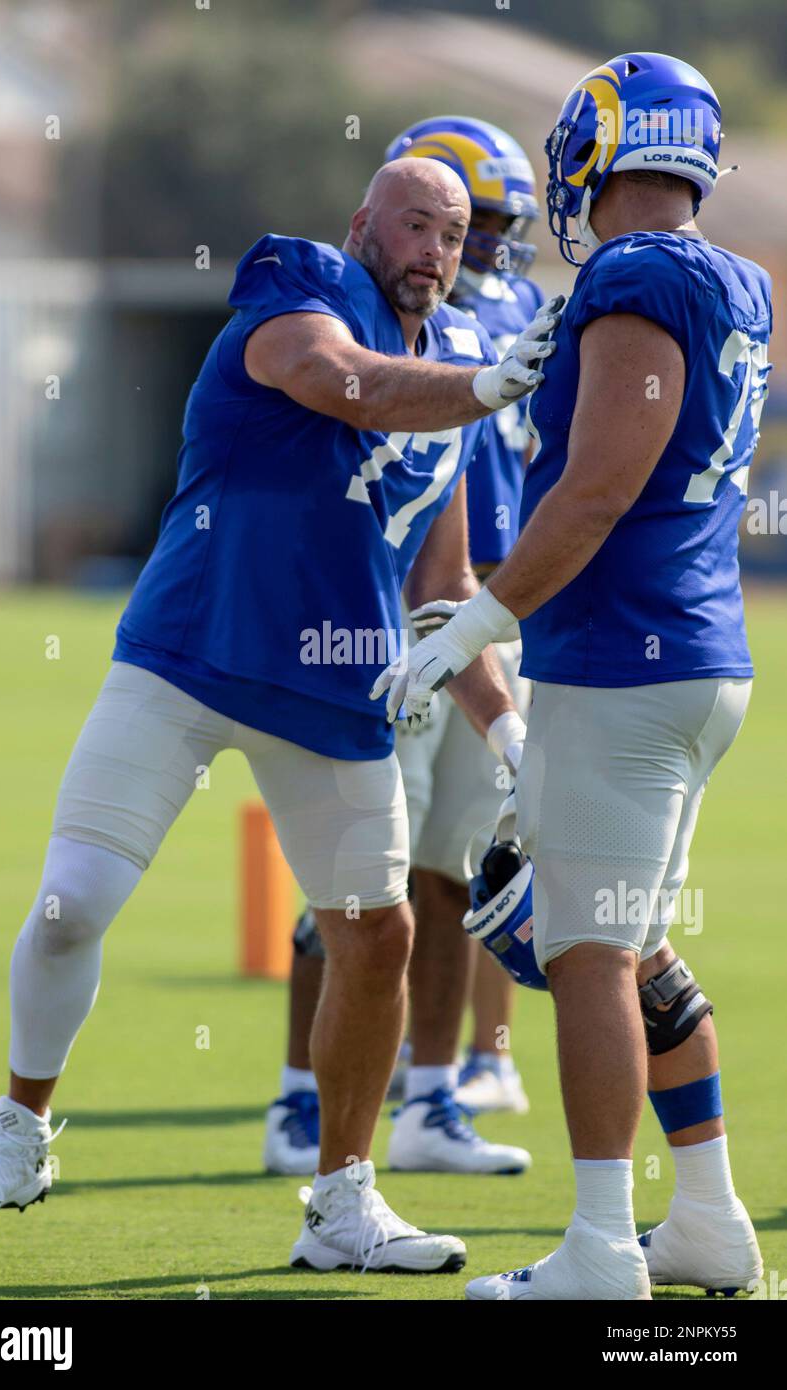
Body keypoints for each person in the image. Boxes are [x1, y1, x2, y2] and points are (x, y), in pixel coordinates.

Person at [0, 157, 561, 1275]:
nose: (432, 247)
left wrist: (506, 731)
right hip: (190, 654)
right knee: (75, 900)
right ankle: (17, 1134)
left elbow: (442, 593)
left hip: (334, 691)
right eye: (413, 223)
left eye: (452, 235)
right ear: (364, 223)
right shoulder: (303, 283)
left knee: (380, 935)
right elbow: (335, 379)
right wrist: (481, 390)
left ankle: (342, 1202)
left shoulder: (461, 369)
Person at [372, 53, 770, 1300]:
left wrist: (465, 625)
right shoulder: (738, 279)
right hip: (698, 652)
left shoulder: (636, 275)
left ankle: (600, 1250)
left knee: (586, 957)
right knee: (637, 945)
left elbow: (595, 491)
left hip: (620, 658)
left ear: (597, 149)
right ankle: (704, 1218)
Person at [264, 116, 544, 1180]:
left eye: (486, 227)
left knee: (451, 874)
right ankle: (297, 1101)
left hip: (480, 613)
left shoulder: (511, 314)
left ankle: (432, 1097)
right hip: (375, 622)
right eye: (452, 228)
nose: (478, 251)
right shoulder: (352, 314)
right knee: (351, 881)